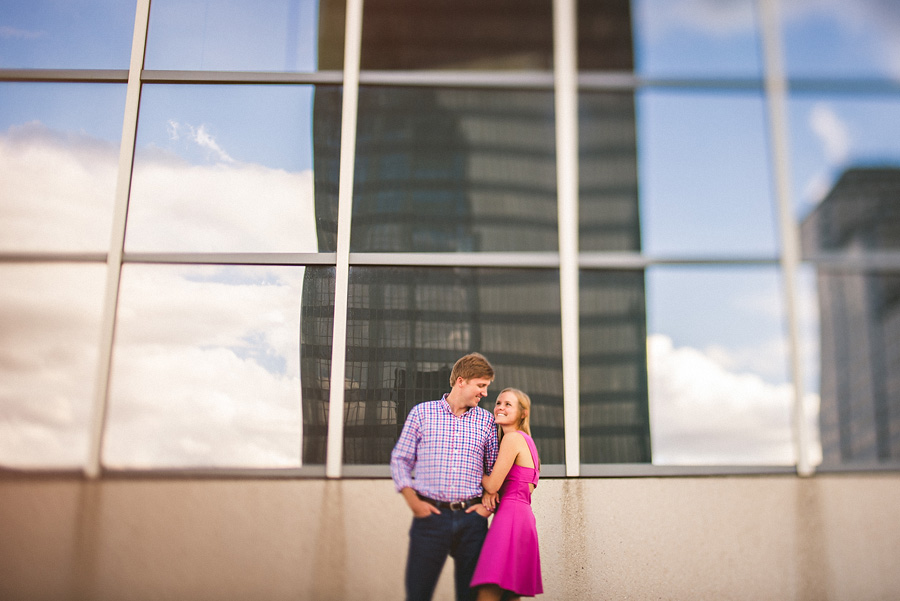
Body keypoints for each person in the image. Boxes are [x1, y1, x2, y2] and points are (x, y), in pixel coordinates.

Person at [390, 352, 500, 601]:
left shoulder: (486, 421)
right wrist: (414, 503)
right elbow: (400, 460)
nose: (484, 393)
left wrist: (486, 509)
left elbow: (494, 471)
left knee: (470, 596)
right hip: (430, 519)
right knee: (418, 593)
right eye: (481, 386)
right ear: (461, 381)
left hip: (472, 521)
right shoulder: (421, 414)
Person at [470, 388, 543, 600]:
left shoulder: (512, 439)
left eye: (508, 404)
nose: (500, 407)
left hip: (509, 518)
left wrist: (471, 466)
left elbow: (493, 485)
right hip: (523, 519)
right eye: (498, 402)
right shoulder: (528, 441)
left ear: (523, 413)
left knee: (488, 589)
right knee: (510, 593)